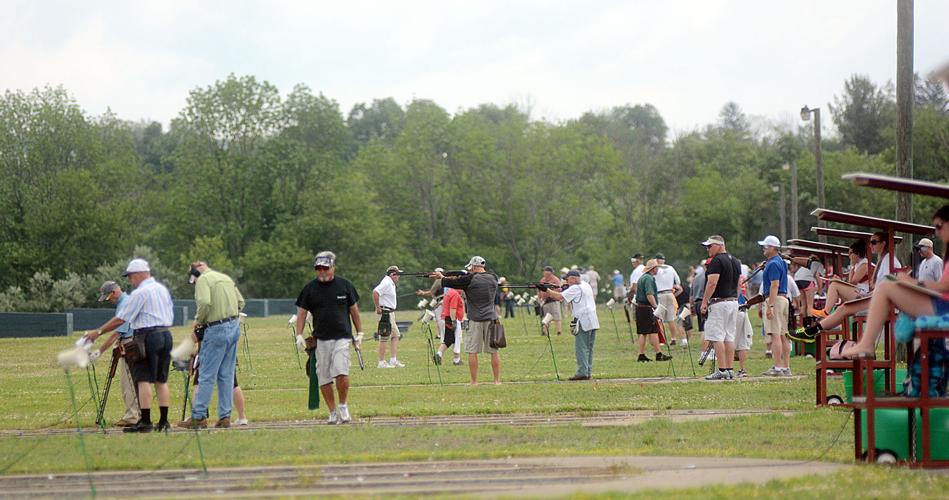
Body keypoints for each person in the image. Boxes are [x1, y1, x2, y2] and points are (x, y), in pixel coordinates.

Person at [829, 205, 949, 359]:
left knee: (884, 287)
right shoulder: (933, 259)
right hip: (933, 302)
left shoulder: (936, 261)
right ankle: (856, 340)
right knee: (874, 292)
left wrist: (912, 283)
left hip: (940, 305)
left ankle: (866, 343)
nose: (937, 232)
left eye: (939, 226)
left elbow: (943, 286)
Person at [85, 258, 174, 433]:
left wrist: (98, 332)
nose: (130, 280)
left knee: (143, 379)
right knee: (161, 380)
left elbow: (121, 319)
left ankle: (146, 421)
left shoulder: (140, 293)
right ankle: (164, 421)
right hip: (166, 334)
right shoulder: (162, 289)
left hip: (148, 335)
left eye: (131, 276)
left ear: (139, 274)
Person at [294, 251, 364, 425]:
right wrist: (299, 335)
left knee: (341, 371)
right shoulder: (309, 289)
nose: (322, 271)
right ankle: (332, 412)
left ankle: (343, 406)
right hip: (321, 339)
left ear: (333, 267)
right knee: (324, 377)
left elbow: (354, 311)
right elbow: (301, 313)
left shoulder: (345, 285)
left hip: (342, 337)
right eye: (318, 268)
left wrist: (360, 332)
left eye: (325, 268)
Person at [186, 261, 245, 428]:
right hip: (234, 326)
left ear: (195, 274)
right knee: (226, 374)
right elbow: (241, 302)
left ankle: (199, 417)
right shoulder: (225, 278)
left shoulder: (203, 280)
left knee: (206, 374)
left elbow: (204, 303)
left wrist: (199, 321)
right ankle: (225, 416)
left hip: (215, 329)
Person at [431, 256, 500, 385]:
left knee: (472, 351)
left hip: (475, 319)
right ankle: (496, 381)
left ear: (473, 266)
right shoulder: (493, 277)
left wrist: (442, 277)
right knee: (494, 351)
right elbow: (463, 275)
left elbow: (451, 283)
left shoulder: (469, 279)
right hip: (492, 318)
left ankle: (474, 382)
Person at [89, 281, 140, 427]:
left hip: (130, 345)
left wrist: (99, 352)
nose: (109, 301)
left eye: (108, 297)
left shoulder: (124, 304)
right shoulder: (127, 301)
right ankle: (139, 414)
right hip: (133, 342)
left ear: (114, 292)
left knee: (128, 383)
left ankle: (132, 417)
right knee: (135, 382)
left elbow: (116, 333)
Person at [543, 270, 600, 380]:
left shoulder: (575, 288)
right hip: (592, 319)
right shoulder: (585, 285)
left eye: (567, 279)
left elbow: (559, 297)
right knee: (589, 348)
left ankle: (582, 372)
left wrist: (547, 290)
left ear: (573, 279)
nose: (566, 281)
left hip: (583, 320)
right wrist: (564, 288)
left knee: (581, 348)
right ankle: (587, 371)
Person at [698, 235, 741, 380]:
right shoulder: (735, 261)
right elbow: (739, 284)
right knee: (729, 336)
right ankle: (729, 369)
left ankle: (722, 369)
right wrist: (736, 298)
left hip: (719, 302)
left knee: (717, 337)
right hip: (733, 301)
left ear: (719, 245)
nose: (708, 249)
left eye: (710, 246)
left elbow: (712, 283)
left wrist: (704, 302)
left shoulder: (716, 261)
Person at [758, 236, 791, 377]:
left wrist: (770, 305)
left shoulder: (772, 264)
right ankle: (786, 367)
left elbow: (774, 285)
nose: (763, 249)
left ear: (773, 248)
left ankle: (777, 367)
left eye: (766, 247)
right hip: (783, 299)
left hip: (775, 299)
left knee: (775, 334)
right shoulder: (780, 262)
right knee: (783, 335)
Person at [812, 239, 871, 318]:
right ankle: (826, 312)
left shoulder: (864, 264)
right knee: (835, 285)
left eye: (851, 253)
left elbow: (852, 283)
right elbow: (850, 282)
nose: (849, 256)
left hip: (863, 295)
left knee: (835, 285)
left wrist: (840, 281)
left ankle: (826, 312)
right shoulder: (858, 264)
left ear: (858, 254)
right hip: (858, 292)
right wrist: (851, 268)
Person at [634, 259, 671, 362]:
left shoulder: (643, 277)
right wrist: (655, 307)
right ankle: (658, 354)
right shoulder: (649, 279)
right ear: (653, 269)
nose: (657, 269)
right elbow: (649, 294)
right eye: (657, 268)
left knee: (643, 332)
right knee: (654, 330)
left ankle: (641, 354)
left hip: (640, 308)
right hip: (647, 308)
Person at [372, 266, 404, 368]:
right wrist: (378, 307)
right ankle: (381, 362)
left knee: (395, 335)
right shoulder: (386, 282)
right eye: (398, 274)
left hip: (390, 313)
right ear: (392, 275)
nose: (399, 276)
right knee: (384, 337)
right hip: (385, 312)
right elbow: (375, 292)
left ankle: (393, 360)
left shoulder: (390, 283)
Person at [654, 253, 685, 346]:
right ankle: (673, 338)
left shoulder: (655, 269)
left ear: (656, 260)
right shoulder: (671, 268)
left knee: (659, 318)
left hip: (660, 294)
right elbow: (678, 281)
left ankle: (662, 340)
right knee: (671, 318)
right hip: (670, 294)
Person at [436, 286, 465, 366]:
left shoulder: (449, 292)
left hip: (446, 318)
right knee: (457, 339)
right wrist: (454, 321)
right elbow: (453, 308)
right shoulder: (455, 294)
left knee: (449, 340)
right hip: (453, 318)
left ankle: (439, 354)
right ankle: (456, 360)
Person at [536, 266, 563, 336]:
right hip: (545, 301)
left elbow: (559, 289)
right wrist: (539, 298)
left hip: (553, 300)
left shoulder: (555, 280)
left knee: (557, 316)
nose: (545, 273)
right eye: (545, 272)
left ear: (551, 273)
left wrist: (551, 295)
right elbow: (539, 290)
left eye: (547, 272)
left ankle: (559, 332)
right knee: (546, 317)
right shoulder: (542, 280)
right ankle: (545, 332)